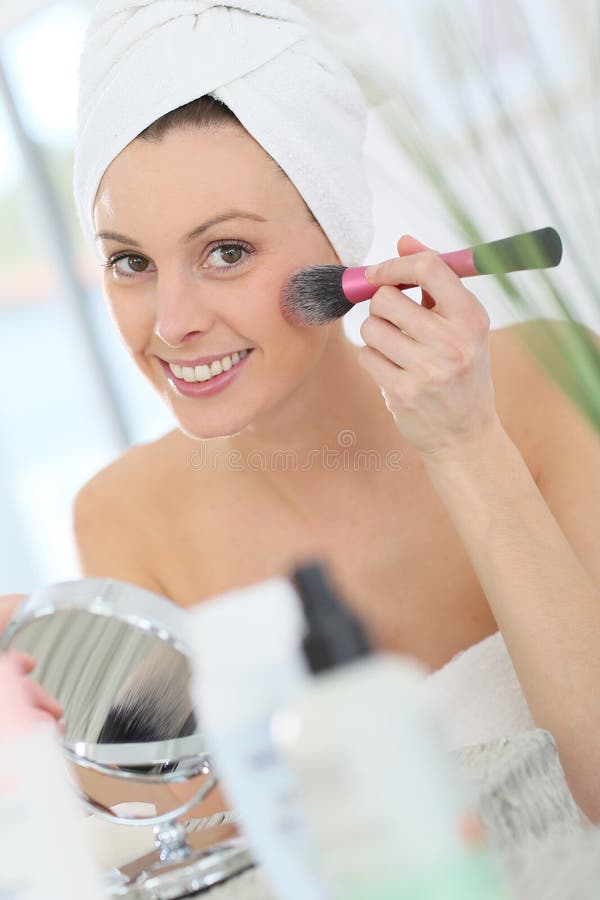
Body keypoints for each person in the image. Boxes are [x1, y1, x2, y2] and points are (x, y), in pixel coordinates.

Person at [3, 0, 600, 824]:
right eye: (131, 262)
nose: (171, 322)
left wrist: (466, 444)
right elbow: (202, 848)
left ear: (337, 238)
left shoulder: (551, 377)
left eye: (227, 252)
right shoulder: (124, 517)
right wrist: (47, 717)